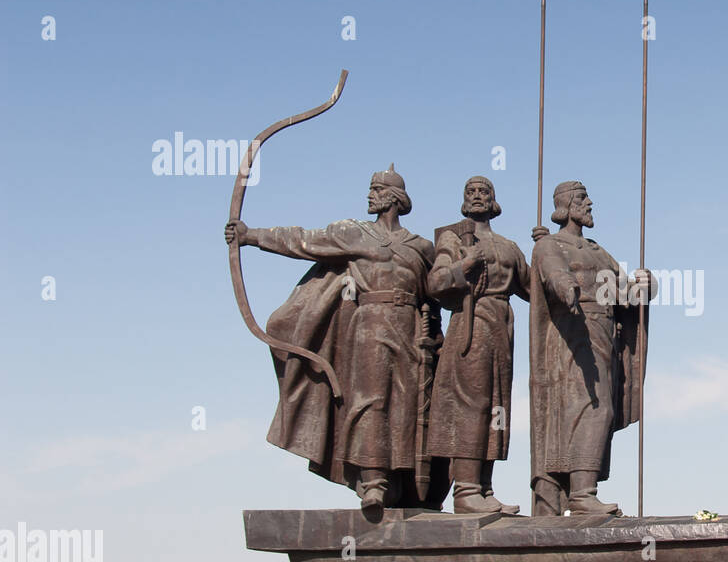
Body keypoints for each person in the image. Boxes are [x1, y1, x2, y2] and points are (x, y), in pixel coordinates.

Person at [224, 165, 444, 509]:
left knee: (405, 405)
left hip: (411, 328)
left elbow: (434, 293)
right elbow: (302, 241)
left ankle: (400, 478)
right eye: (371, 189)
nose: (370, 195)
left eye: (377, 189)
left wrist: (435, 333)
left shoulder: (422, 247)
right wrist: (251, 236)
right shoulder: (353, 233)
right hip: (369, 322)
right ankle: (373, 480)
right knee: (371, 399)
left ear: (395, 198)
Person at [529, 181, 652, 516]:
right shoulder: (549, 245)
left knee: (603, 409)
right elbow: (553, 274)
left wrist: (645, 285)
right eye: (582, 199)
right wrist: (564, 285)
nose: (590, 204)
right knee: (589, 407)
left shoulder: (599, 251)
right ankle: (581, 493)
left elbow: (626, 292)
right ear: (566, 204)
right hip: (573, 332)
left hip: (603, 334)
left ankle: (583, 490)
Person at [426, 176, 529, 515]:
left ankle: (484, 489)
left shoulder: (510, 246)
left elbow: (533, 290)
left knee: (496, 405)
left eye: (484, 192)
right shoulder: (453, 239)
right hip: (470, 323)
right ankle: (466, 490)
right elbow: (437, 282)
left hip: (502, 327)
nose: (477, 196)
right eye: (470, 192)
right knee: (472, 403)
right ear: (464, 200)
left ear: (494, 200)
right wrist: (465, 264)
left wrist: (543, 249)